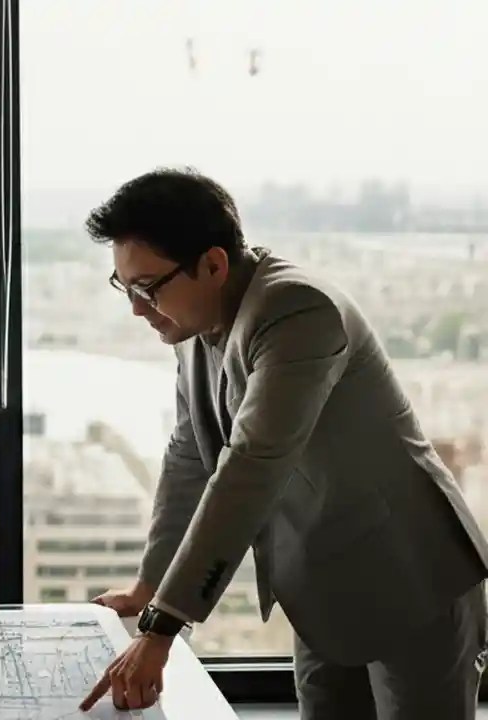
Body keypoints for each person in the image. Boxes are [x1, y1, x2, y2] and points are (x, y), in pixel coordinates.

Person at [77, 167, 488, 718]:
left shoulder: (297, 311)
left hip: (409, 578)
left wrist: (162, 626)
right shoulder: (192, 324)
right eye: (124, 288)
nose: (135, 308)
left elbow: (250, 466)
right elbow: (188, 458)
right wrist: (151, 584)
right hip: (321, 590)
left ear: (214, 264)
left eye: (146, 288)